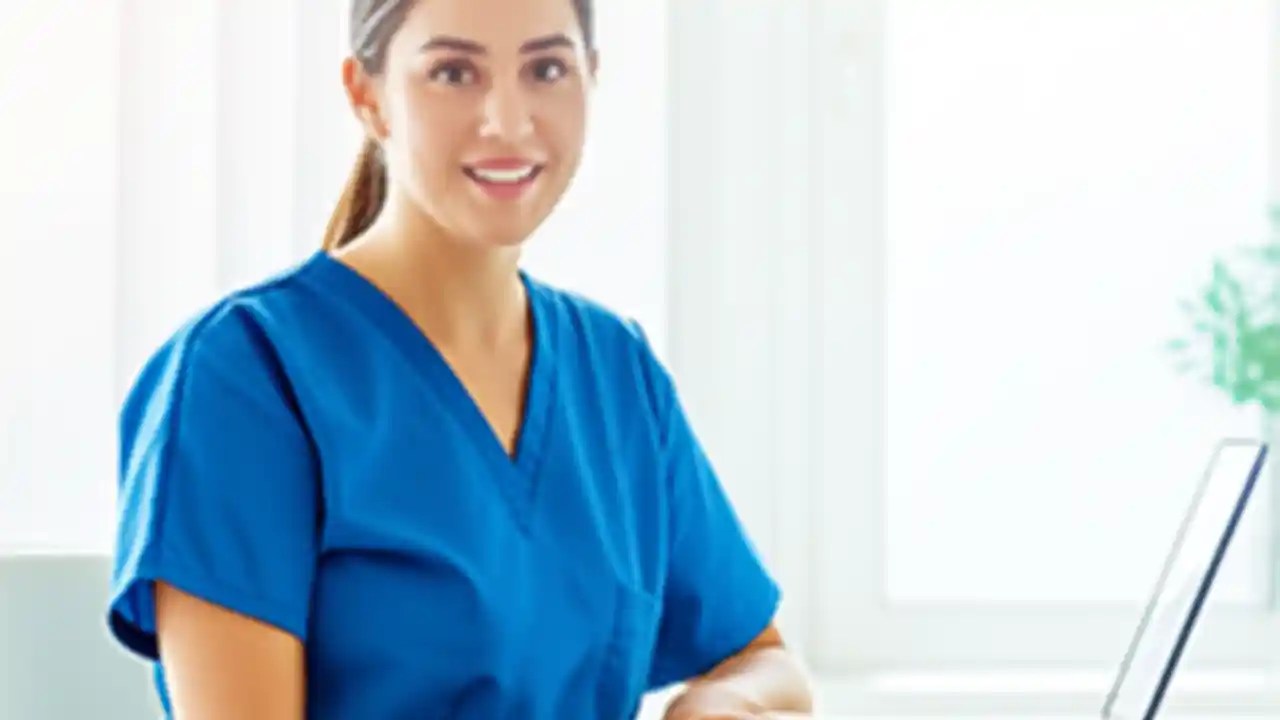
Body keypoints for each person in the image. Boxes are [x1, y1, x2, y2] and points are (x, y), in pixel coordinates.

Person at [106, 0, 814, 717]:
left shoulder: (616, 375)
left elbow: (765, 661)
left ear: (591, 80)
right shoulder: (246, 376)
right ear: (368, 96)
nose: (507, 121)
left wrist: (724, 706)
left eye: (546, 69)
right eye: (452, 72)